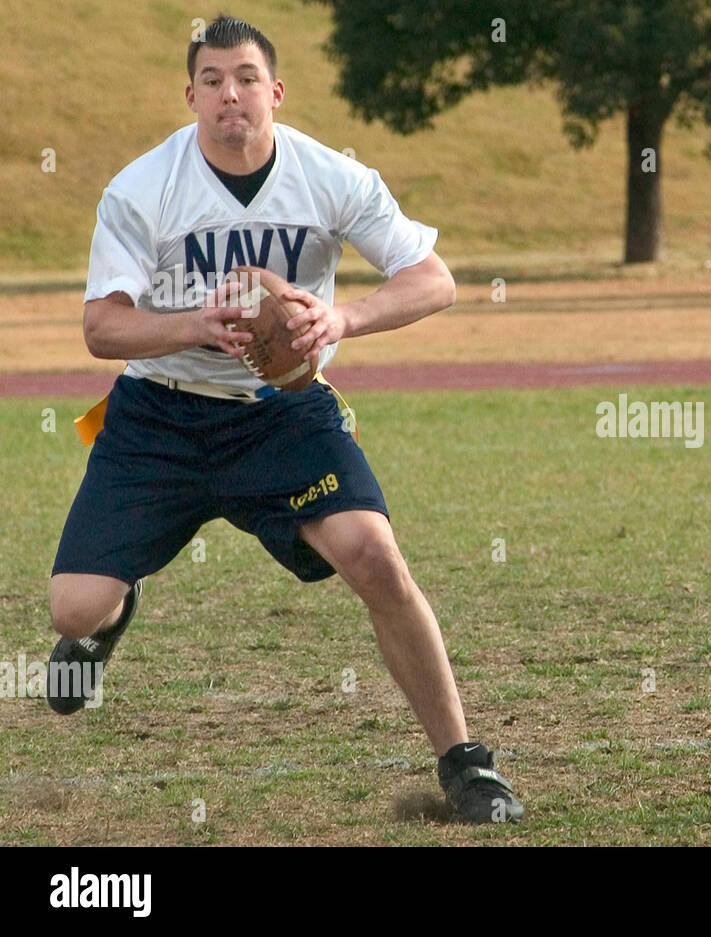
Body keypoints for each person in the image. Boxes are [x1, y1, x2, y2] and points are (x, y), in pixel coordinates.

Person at [47, 15, 523, 824]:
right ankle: (111, 615)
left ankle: (464, 763)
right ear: (190, 95)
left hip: (283, 413)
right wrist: (194, 325)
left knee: (374, 557)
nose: (228, 94)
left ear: (275, 91)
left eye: (243, 78)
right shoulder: (142, 187)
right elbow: (102, 327)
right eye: (210, 81)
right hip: (159, 415)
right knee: (73, 608)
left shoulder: (328, 176)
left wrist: (341, 321)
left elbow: (432, 278)